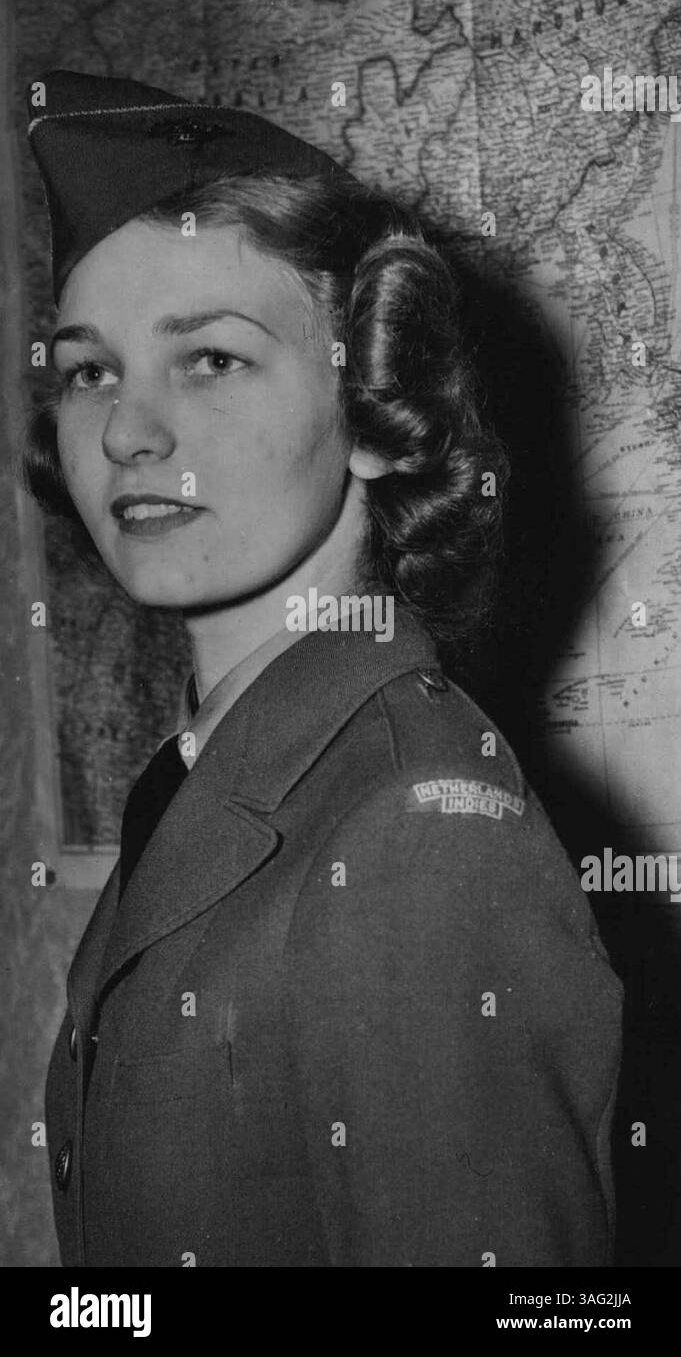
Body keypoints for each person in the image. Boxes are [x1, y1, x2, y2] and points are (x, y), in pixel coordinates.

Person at [24, 69, 623, 1268]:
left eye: (210, 360)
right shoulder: (227, 780)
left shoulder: (414, 828)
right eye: (91, 370)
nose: (128, 431)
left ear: (369, 406)